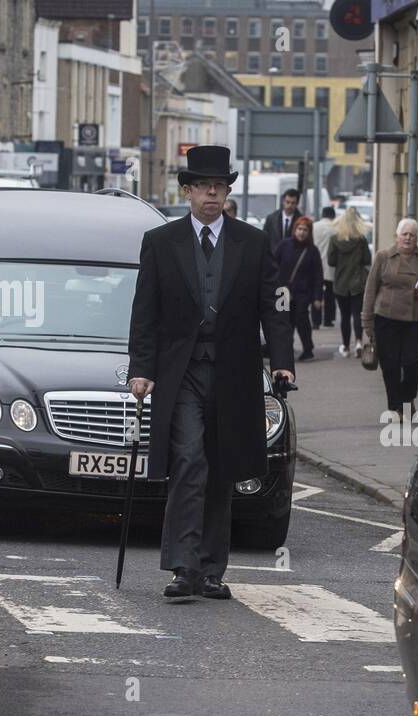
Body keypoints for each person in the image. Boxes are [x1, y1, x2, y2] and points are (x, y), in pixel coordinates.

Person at [127, 145, 295, 600]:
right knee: (189, 459)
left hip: (234, 374)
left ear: (227, 193)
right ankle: (182, 567)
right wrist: (141, 369)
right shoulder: (160, 243)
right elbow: (145, 313)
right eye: (203, 186)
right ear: (186, 191)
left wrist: (281, 361)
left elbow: (273, 308)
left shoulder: (253, 242)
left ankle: (212, 569)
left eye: (219, 187)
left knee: (222, 468)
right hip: (181, 373)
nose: (212, 194)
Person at [361, 217, 418, 417]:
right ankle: (395, 405)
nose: (408, 238)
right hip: (386, 318)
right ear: (397, 236)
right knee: (390, 363)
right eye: (405, 234)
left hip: (414, 320)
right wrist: (367, 320)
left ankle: (407, 397)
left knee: (413, 362)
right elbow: (370, 289)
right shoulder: (383, 257)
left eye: (412, 235)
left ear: (416, 238)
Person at [275, 215, 323, 362]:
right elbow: (273, 266)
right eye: (299, 229)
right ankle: (285, 351)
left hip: (303, 293)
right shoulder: (284, 245)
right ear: (295, 230)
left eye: (305, 230)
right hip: (283, 291)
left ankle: (308, 349)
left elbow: (318, 275)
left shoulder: (312, 250)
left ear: (309, 233)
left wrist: (317, 297)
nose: (302, 232)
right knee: (284, 323)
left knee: (302, 320)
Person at [328, 207, 371, 358]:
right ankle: (359, 342)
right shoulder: (361, 240)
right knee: (357, 314)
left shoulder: (334, 239)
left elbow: (331, 261)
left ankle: (345, 347)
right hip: (357, 282)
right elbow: (367, 260)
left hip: (341, 283)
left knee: (345, 316)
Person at [313, 206, 337, 330]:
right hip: (330, 267)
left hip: (315, 265)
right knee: (330, 295)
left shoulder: (314, 226)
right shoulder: (335, 229)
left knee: (316, 294)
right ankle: (328, 320)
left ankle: (315, 321)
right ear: (333, 216)